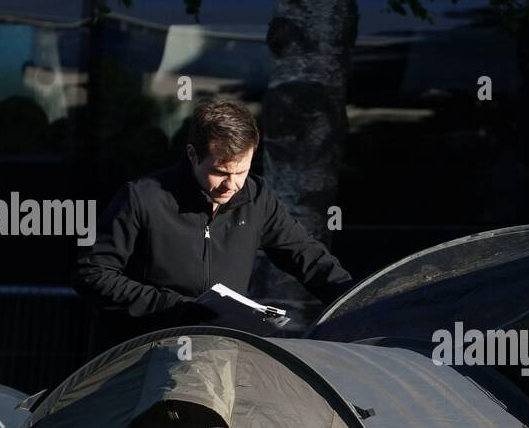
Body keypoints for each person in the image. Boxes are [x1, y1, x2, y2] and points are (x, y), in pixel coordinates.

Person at [75, 99, 354, 350]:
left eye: (241, 171)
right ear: (193, 154)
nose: (231, 184)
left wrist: (356, 301)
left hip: (216, 353)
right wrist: (176, 308)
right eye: (220, 172)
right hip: (139, 351)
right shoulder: (142, 197)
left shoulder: (256, 199)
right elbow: (92, 274)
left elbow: (307, 256)